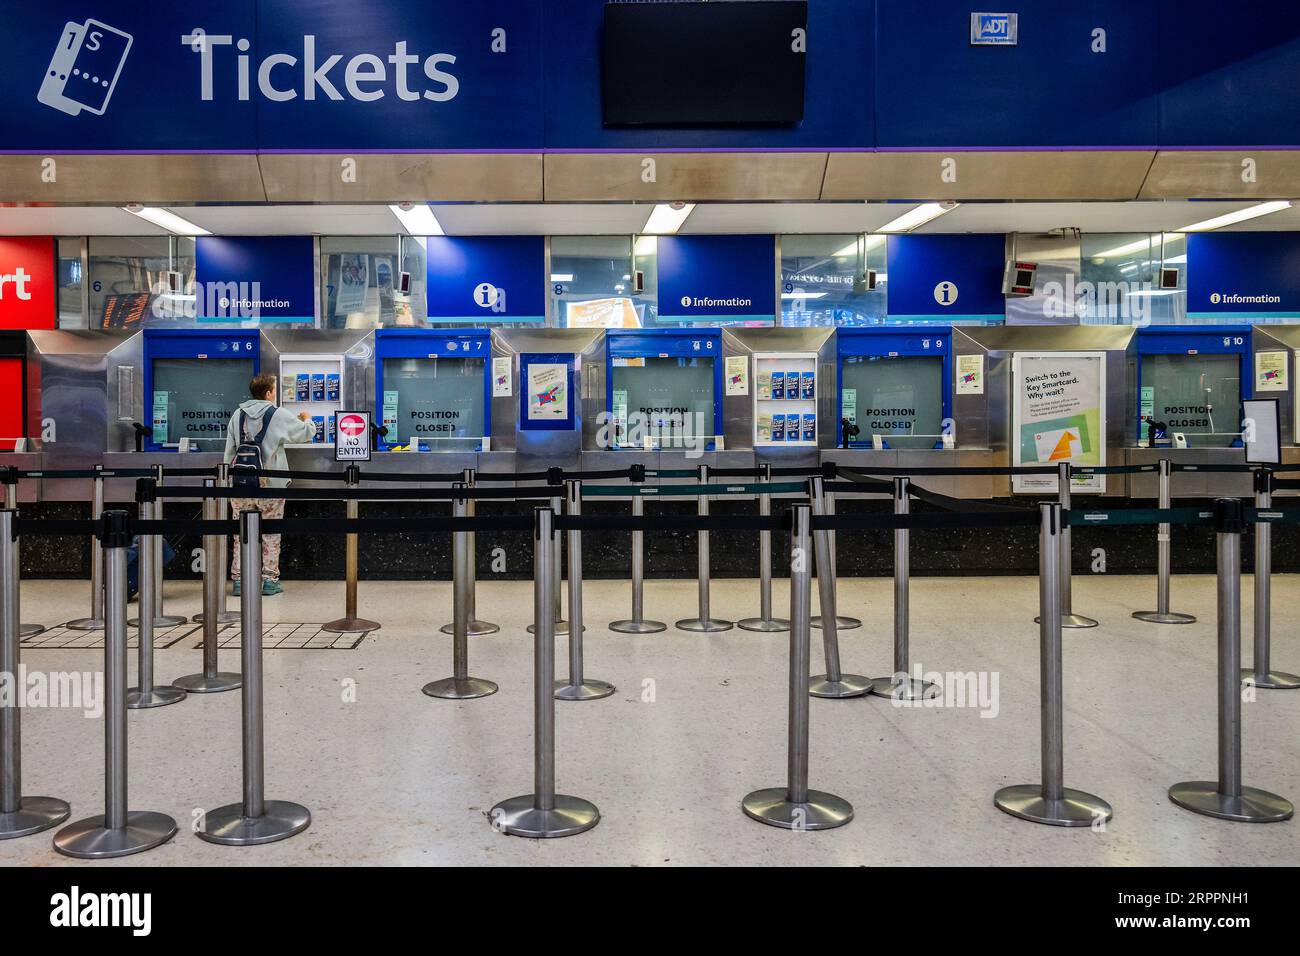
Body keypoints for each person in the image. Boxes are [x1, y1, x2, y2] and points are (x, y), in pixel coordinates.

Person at [223, 373, 314, 596]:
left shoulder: (237, 415)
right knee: (271, 533)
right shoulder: (278, 414)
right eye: (274, 390)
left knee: (240, 533)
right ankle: (269, 580)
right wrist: (307, 418)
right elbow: (305, 434)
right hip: (270, 484)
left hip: (241, 484)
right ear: (268, 393)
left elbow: (229, 453)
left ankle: (239, 580)